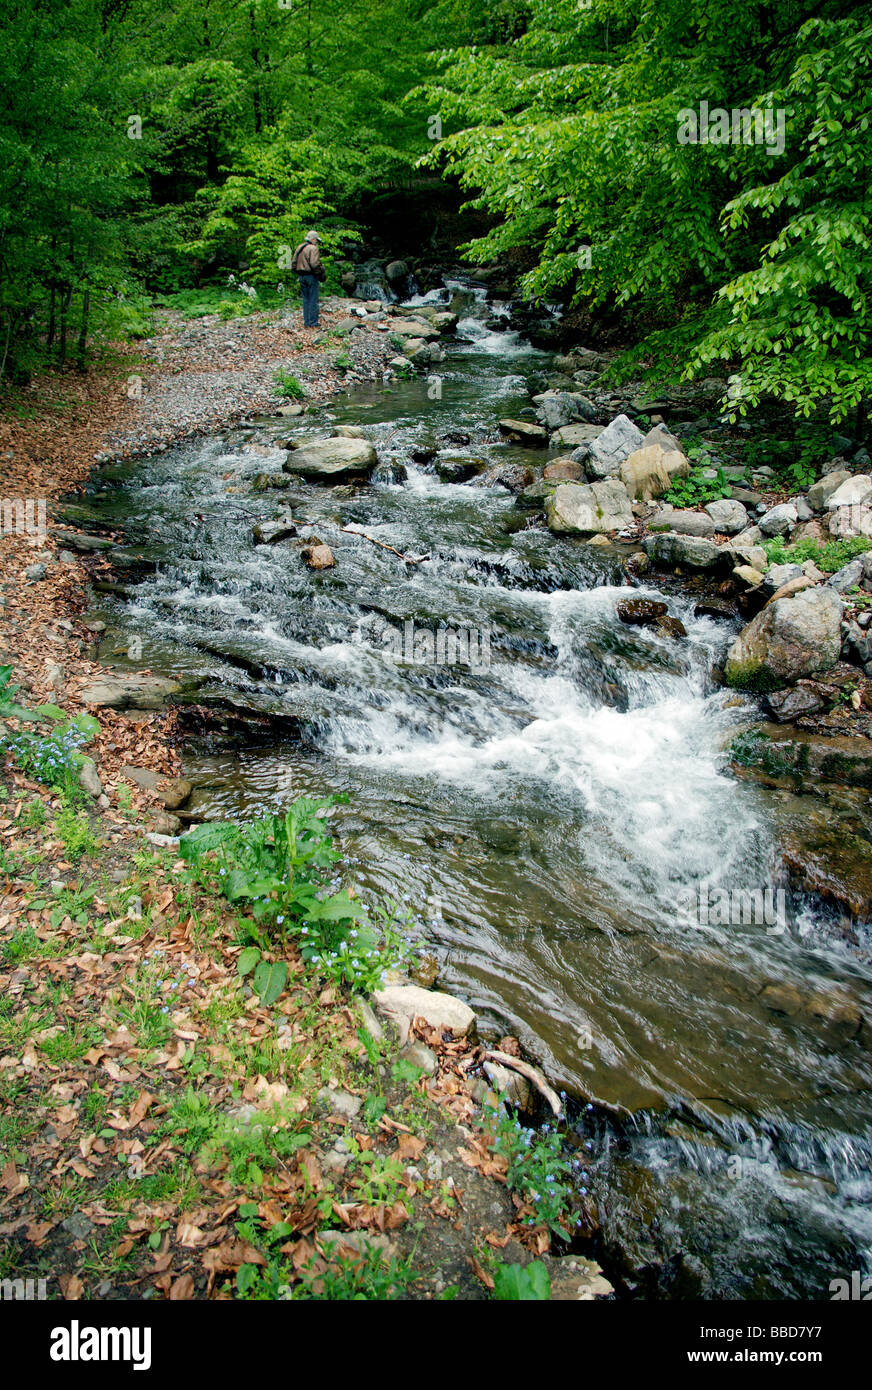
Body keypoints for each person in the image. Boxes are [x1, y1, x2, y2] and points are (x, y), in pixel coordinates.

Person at [291, 230, 325, 328]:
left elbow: (293, 263)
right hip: (311, 276)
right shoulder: (313, 248)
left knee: (305, 300)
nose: (317, 242)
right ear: (313, 239)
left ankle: (306, 322)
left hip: (301, 276)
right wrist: (320, 274)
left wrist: (298, 272)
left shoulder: (300, 247)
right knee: (313, 300)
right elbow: (314, 264)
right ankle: (313, 323)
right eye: (316, 240)